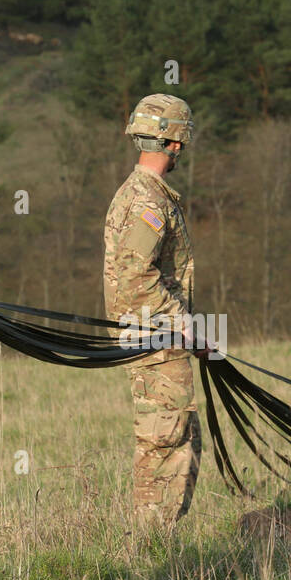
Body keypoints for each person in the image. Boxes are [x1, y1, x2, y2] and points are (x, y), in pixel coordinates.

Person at [103, 93, 201, 530]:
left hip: (155, 334)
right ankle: (153, 544)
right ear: (174, 142)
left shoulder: (143, 193)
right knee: (167, 442)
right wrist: (185, 325)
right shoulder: (149, 202)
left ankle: (154, 539)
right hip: (155, 337)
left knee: (170, 436)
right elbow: (135, 274)